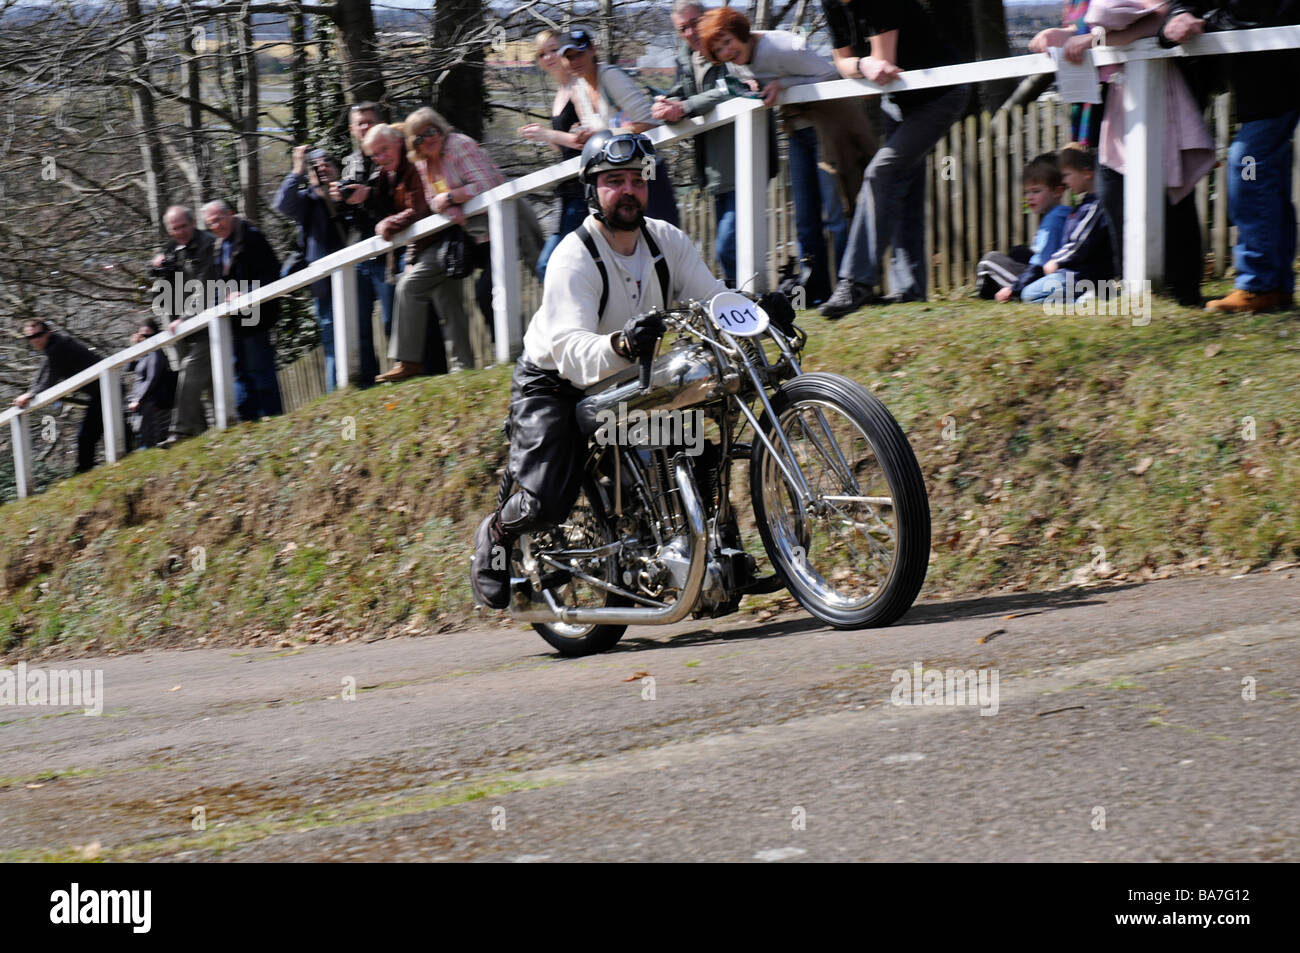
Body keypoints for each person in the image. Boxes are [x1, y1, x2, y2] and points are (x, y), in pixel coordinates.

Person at [471, 131, 759, 609]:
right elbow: (573, 355)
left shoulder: (666, 242)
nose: (629, 190)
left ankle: (696, 549)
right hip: (555, 383)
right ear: (592, 189)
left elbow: (712, 298)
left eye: (637, 180)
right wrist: (622, 342)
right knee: (547, 499)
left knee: (695, 445)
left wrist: (753, 307)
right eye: (614, 181)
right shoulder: (573, 257)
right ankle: (497, 531)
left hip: (629, 379)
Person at [818, 0, 972, 317]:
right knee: (904, 189)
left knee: (881, 174)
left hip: (940, 95)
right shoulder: (831, 3)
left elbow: (883, 64)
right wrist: (861, 67)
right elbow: (843, 61)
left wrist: (863, 67)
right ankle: (910, 290)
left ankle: (856, 282)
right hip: (898, 103)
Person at [1160, 1, 1300, 313]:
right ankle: (1273, 285)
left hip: (1276, 85)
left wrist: (1207, 21)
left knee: (1247, 166)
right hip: (1265, 95)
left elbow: (1262, 13)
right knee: (1266, 178)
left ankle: (1260, 283)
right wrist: (1177, 15)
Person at [560, 27, 681, 227]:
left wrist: (604, 135)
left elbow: (650, 123)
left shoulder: (610, 76)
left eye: (579, 53)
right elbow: (600, 132)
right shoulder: (580, 87)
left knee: (662, 237)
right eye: (569, 57)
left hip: (647, 169)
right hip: (616, 178)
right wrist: (583, 133)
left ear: (593, 50)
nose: (575, 61)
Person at [332, 102, 401, 379]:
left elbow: (400, 199)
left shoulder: (393, 154)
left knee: (392, 319)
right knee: (356, 322)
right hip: (358, 251)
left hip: (389, 248)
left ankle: (404, 369)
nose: (364, 127)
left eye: (369, 121)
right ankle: (364, 381)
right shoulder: (349, 162)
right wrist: (339, 200)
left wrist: (368, 195)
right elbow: (347, 213)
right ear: (352, 129)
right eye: (359, 123)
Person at [274, 145, 351, 391]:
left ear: (338, 169)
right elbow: (282, 203)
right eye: (317, 167)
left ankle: (364, 383)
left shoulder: (351, 192)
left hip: (358, 276)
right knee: (331, 342)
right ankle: (337, 394)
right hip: (324, 286)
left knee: (360, 334)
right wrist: (297, 170)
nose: (323, 169)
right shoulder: (307, 201)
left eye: (328, 164)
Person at [203, 200, 284, 420]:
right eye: (211, 224)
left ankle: (273, 417)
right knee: (239, 372)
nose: (216, 227)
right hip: (234, 321)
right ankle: (248, 423)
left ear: (229, 214)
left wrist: (245, 292)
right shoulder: (219, 246)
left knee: (260, 369)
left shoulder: (251, 236)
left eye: (218, 220)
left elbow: (272, 273)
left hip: (256, 316)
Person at [521, 30, 591, 282]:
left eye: (553, 49)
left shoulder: (577, 88)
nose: (548, 57)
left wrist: (546, 133)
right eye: (542, 54)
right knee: (554, 267)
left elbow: (586, 142)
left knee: (550, 265)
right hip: (566, 189)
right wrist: (544, 137)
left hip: (582, 190)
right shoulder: (559, 95)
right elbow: (564, 148)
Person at [150, 205, 216, 444]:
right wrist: (160, 274)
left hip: (208, 325)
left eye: (183, 226)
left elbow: (206, 287)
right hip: (184, 330)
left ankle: (181, 431)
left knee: (191, 373)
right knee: (199, 381)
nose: (179, 232)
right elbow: (161, 298)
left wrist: (185, 318)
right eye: (174, 228)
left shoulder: (208, 244)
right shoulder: (171, 252)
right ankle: (202, 435)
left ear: (192, 223)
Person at [1019, 145, 1115, 304]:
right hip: (1073, 274)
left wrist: (1057, 261)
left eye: (1068, 175)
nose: (1064, 181)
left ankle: (1086, 301)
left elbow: (1080, 243)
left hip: (1082, 277)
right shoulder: (1084, 205)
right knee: (1029, 294)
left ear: (1086, 173)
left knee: (1029, 295)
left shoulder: (1094, 206)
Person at [12, 320, 105, 473]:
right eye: (30, 337)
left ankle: (83, 473)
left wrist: (29, 395)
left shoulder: (58, 348)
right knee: (94, 433)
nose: (35, 340)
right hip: (100, 393)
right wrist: (28, 393)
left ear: (48, 333)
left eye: (38, 335)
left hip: (106, 389)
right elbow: (41, 375)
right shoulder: (54, 347)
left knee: (86, 437)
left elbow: (49, 379)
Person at [976, 154, 1071, 301]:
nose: (1030, 197)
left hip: (1043, 279)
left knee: (988, 262)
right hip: (1053, 275)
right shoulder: (1064, 213)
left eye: (1036, 191)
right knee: (1019, 252)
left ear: (1057, 192)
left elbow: (1039, 265)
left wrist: (1015, 289)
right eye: (1027, 192)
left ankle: (998, 296)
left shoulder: (1052, 220)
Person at [126, 318, 177, 450]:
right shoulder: (144, 355)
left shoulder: (156, 353)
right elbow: (127, 367)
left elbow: (152, 378)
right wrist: (133, 346)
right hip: (140, 401)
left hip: (150, 402)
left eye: (149, 334)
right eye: (142, 335)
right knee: (139, 435)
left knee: (147, 439)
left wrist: (138, 399)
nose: (145, 338)